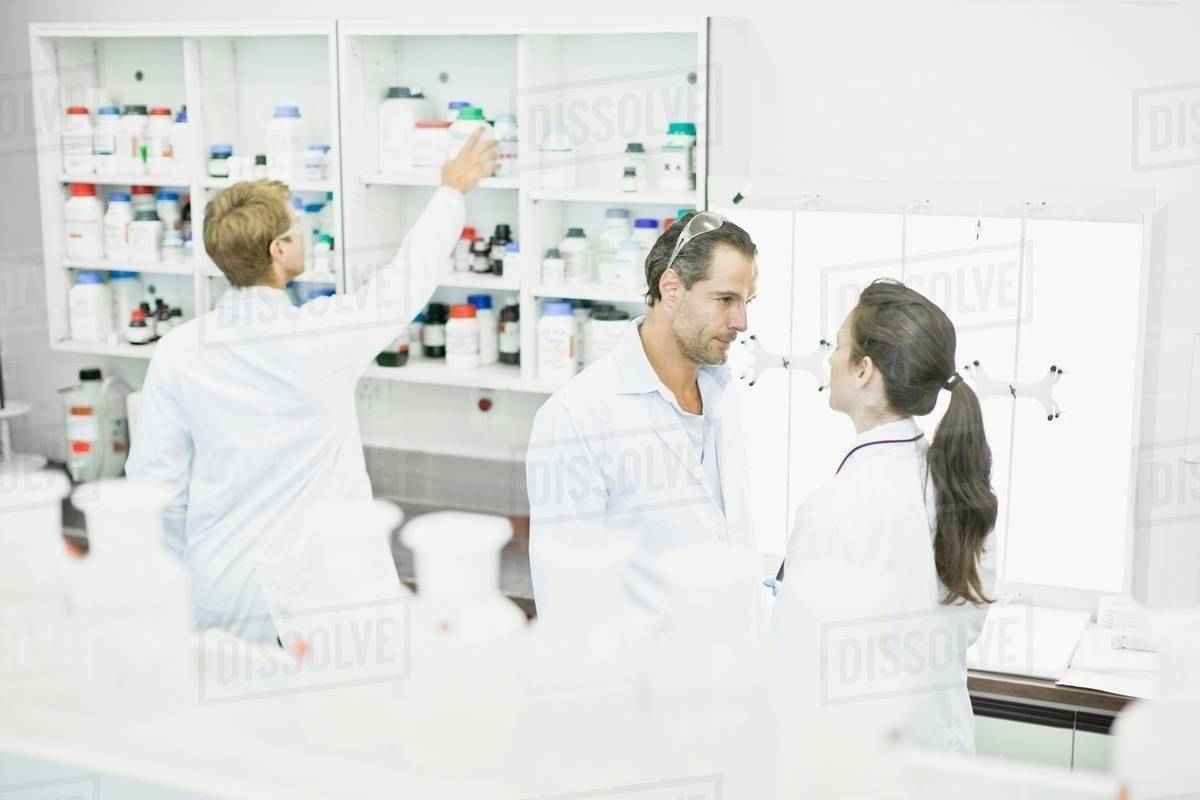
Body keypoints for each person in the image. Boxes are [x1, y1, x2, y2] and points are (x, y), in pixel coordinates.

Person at [126, 130, 495, 643]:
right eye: (298, 228)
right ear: (279, 250)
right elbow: (406, 279)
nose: (305, 236)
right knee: (338, 718)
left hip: (222, 586)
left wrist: (170, 588)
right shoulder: (321, 335)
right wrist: (450, 190)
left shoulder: (178, 351)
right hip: (320, 590)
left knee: (238, 720)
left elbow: (154, 487)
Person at [768, 278, 997, 754]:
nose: (830, 358)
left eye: (837, 346)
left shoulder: (835, 508)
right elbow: (963, 626)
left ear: (864, 370)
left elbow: (792, 668)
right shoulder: (961, 488)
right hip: (944, 757)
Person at [526, 211, 767, 631]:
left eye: (746, 302)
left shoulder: (721, 393)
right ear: (671, 288)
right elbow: (567, 603)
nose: (741, 322)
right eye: (725, 299)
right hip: (642, 687)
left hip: (732, 676)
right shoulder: (577, 416)